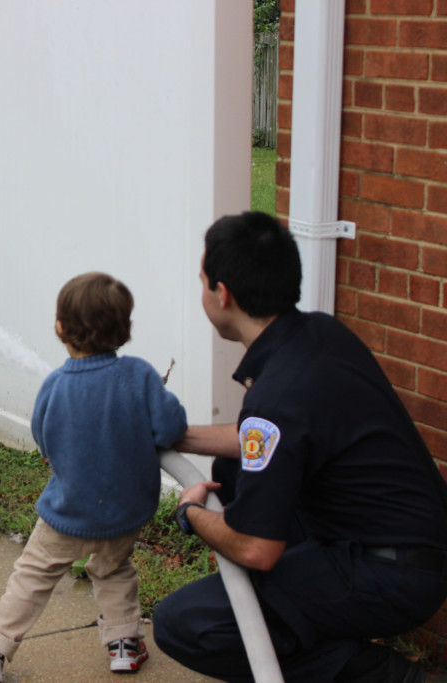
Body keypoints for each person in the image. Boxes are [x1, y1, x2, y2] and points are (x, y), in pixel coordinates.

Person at [154, 211, 447, 683]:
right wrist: (177, 436)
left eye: (203, 281)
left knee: (187, 624)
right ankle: (316, 628)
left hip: (389, 577)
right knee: (231, 473)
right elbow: (265, 436)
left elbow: (255, 549)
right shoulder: (319, 335)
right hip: (407, 547)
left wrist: (190, 514)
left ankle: (389, 678)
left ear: (222, 294)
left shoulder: (279, 397)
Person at [0, 272, 188, 681]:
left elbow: (44, 440)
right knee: (113, 569)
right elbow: (170, 428)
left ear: (60, 329)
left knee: (35, 574)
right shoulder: (140, 376)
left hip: (69, 511)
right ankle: (124, 643)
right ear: (125, 329)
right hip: (126, 513)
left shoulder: (55, 385)